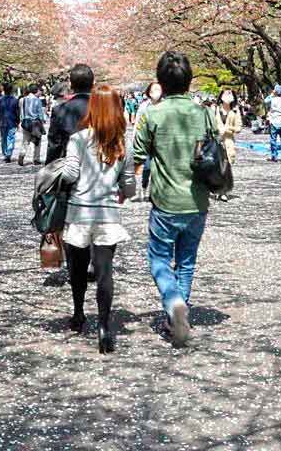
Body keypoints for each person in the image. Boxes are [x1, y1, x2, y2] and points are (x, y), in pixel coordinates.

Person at [133, 51, 210, 347]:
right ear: (189, 81)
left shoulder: (152, 113)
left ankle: (174, 302)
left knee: (159, 259)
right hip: (197, 201)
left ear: (161, 83)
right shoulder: (203, 113)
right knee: (187, 261)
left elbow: (138, 154)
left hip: (165, 201)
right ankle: (179, 312)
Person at [62, 85, 136, 354]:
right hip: (107, 215)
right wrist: (124, 193)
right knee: (104, 271)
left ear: (92, 107)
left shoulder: (79, 139)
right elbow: (129, 184)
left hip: (79, 212)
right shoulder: (121, 141)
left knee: (78, 268)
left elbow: (70, 174)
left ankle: (79, 313)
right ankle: (104, 327)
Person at [45, 64, 94, 164]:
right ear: (93, 84)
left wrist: (50, 167)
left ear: (71, 85)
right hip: (101, 168)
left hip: (69, 164)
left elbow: (55, 144)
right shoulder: (106, 108)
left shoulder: (59, 110)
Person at [18, 83, 46, 166]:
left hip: (26, 123)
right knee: (38, 140)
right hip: (35, 123)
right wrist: (42, 121)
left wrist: (22, 120)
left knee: (25, 141)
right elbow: (40, 113)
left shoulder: (22, 100)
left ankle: (22, 155)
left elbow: (21, 112)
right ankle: (36, 158)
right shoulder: (38, 100)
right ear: (36, 91)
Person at [214, 88, 243, 164]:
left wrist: (229, 128)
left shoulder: (235, 111)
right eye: (225, 93)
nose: (227, 95)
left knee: (229, 164)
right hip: (216, 142)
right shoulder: (215, 109)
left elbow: (239, 128)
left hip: (229, 143)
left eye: (229, 93)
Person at [264, 85, 281, 162]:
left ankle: (274, 156)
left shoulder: (272, 99)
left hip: (274, 122)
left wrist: (272, 94)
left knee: (273, 140)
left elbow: (265, 101)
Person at [0, 84, 20, 163]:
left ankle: (5, 153)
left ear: (4, 90)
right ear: (11, 90)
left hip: (2, 122)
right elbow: (17, 112)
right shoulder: (15, 100)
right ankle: (9, 153)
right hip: (12, 121)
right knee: (11, 138)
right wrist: (18, 121)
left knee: (4, 138)